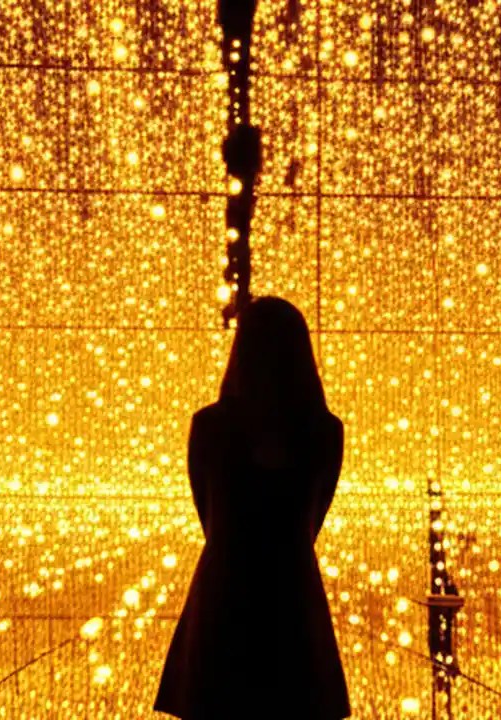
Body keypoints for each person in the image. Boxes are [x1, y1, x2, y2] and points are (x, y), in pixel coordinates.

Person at [155, 297, 350, 720]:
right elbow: (314, 516)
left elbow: (207, 513)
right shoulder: (325, 431)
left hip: (223, 595)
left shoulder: (209, 426)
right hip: (294, 600)